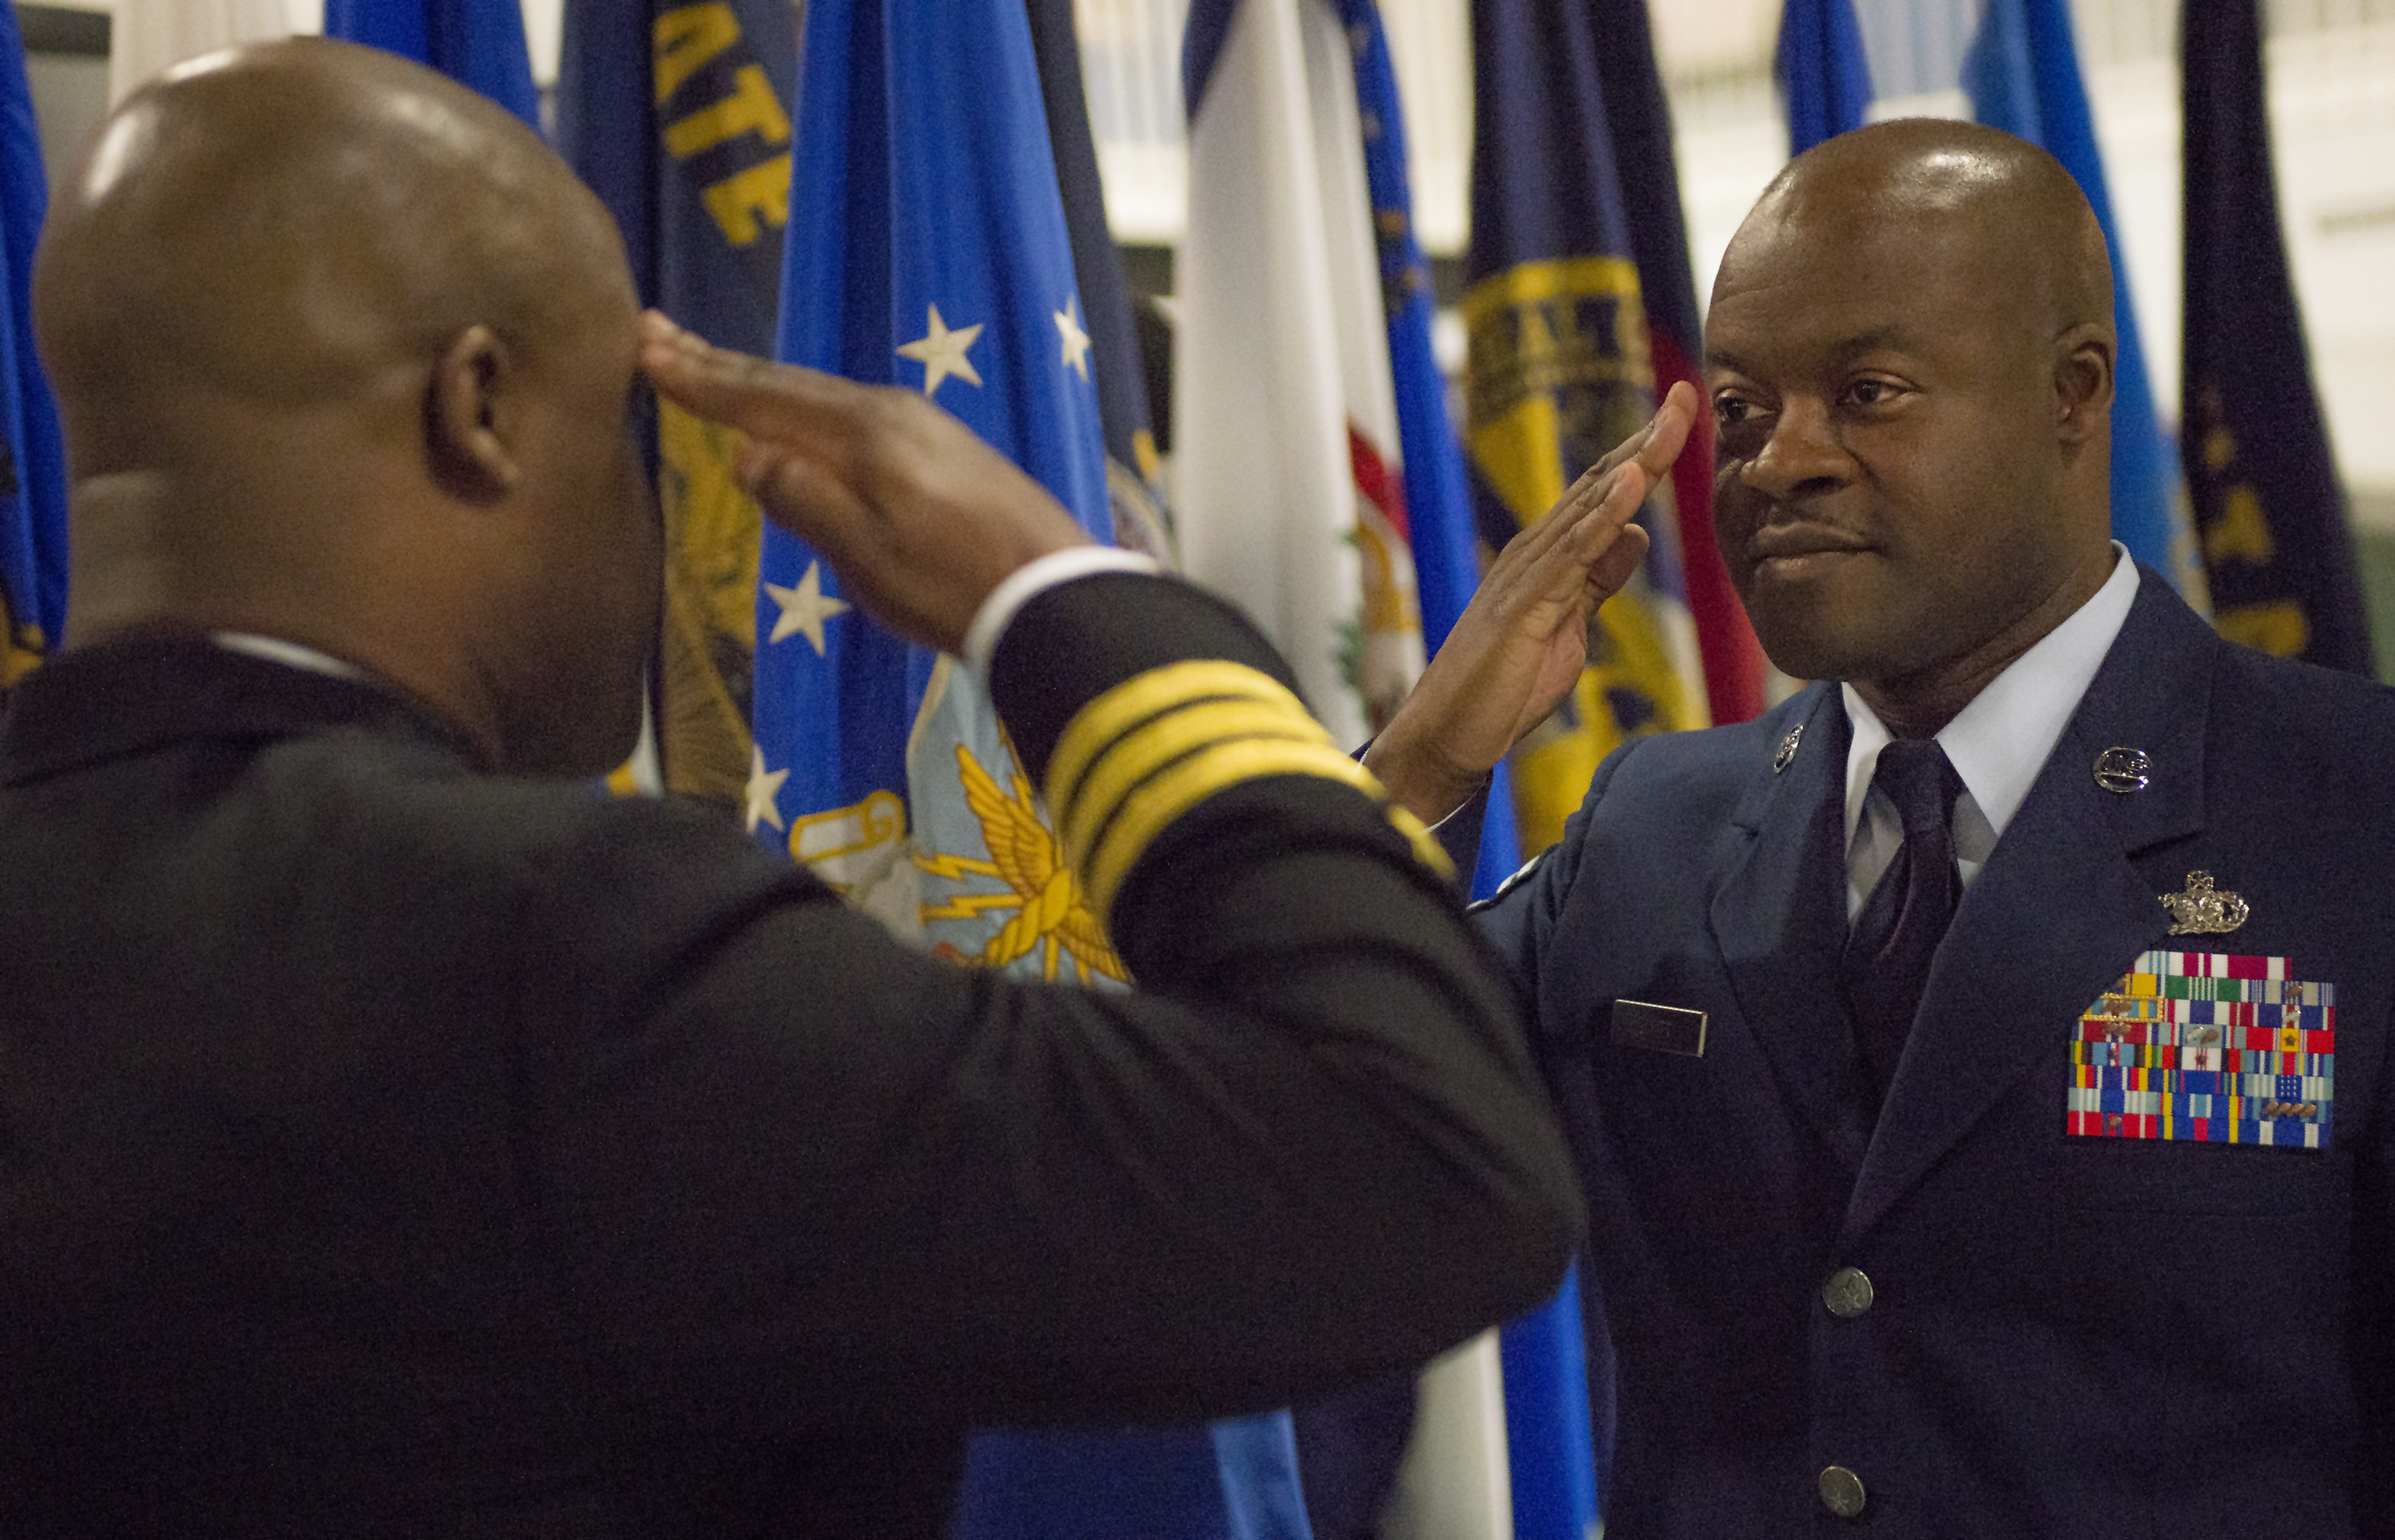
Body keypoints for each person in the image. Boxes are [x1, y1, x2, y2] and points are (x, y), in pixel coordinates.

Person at [0, 39, 1586, 1537]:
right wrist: (1055, 592)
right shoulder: (555, 948)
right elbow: (1426, 1168)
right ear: (477, 411)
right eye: (625, 428)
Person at [1365, 117, 2395, 1537]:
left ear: (2072, 394)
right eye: (1739, 408)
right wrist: (1424, 762)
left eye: (1867, 393)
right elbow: (1307, 1130)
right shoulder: (1652, 831)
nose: (1778, 461)